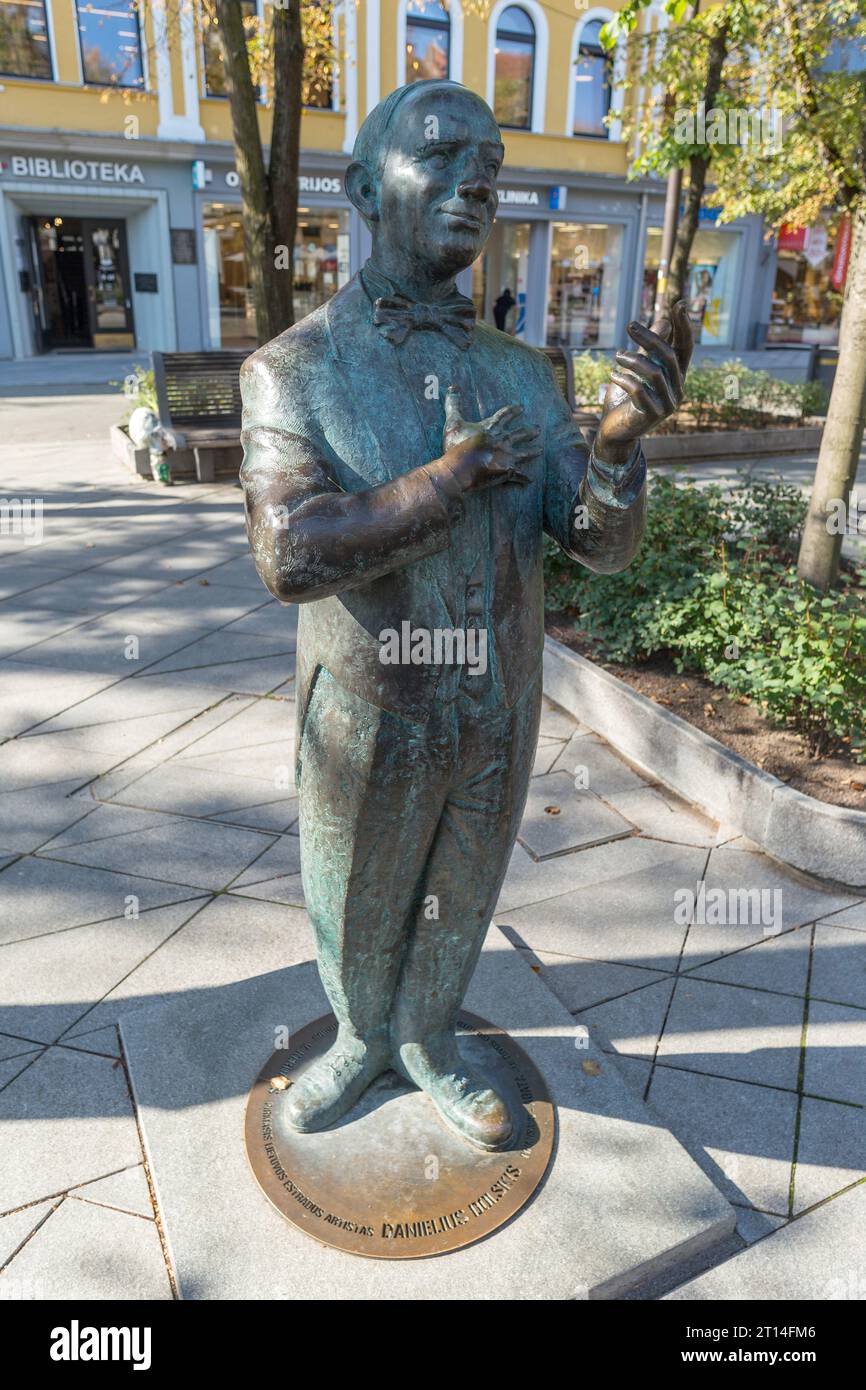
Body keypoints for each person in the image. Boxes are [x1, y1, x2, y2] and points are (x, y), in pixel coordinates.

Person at [239, 79, 692, 1150]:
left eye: (485, 165)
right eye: (440, 156)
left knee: (461, 890)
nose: (473, 181)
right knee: (355, 903)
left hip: (495, 707)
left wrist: (619, 446)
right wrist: (445, 483)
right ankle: (357, 1040)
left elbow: (596, 543)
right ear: (359, 188)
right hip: (368, 711)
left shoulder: (524, 373)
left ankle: (429, 1038)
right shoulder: (291, 371)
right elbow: (290, 552)